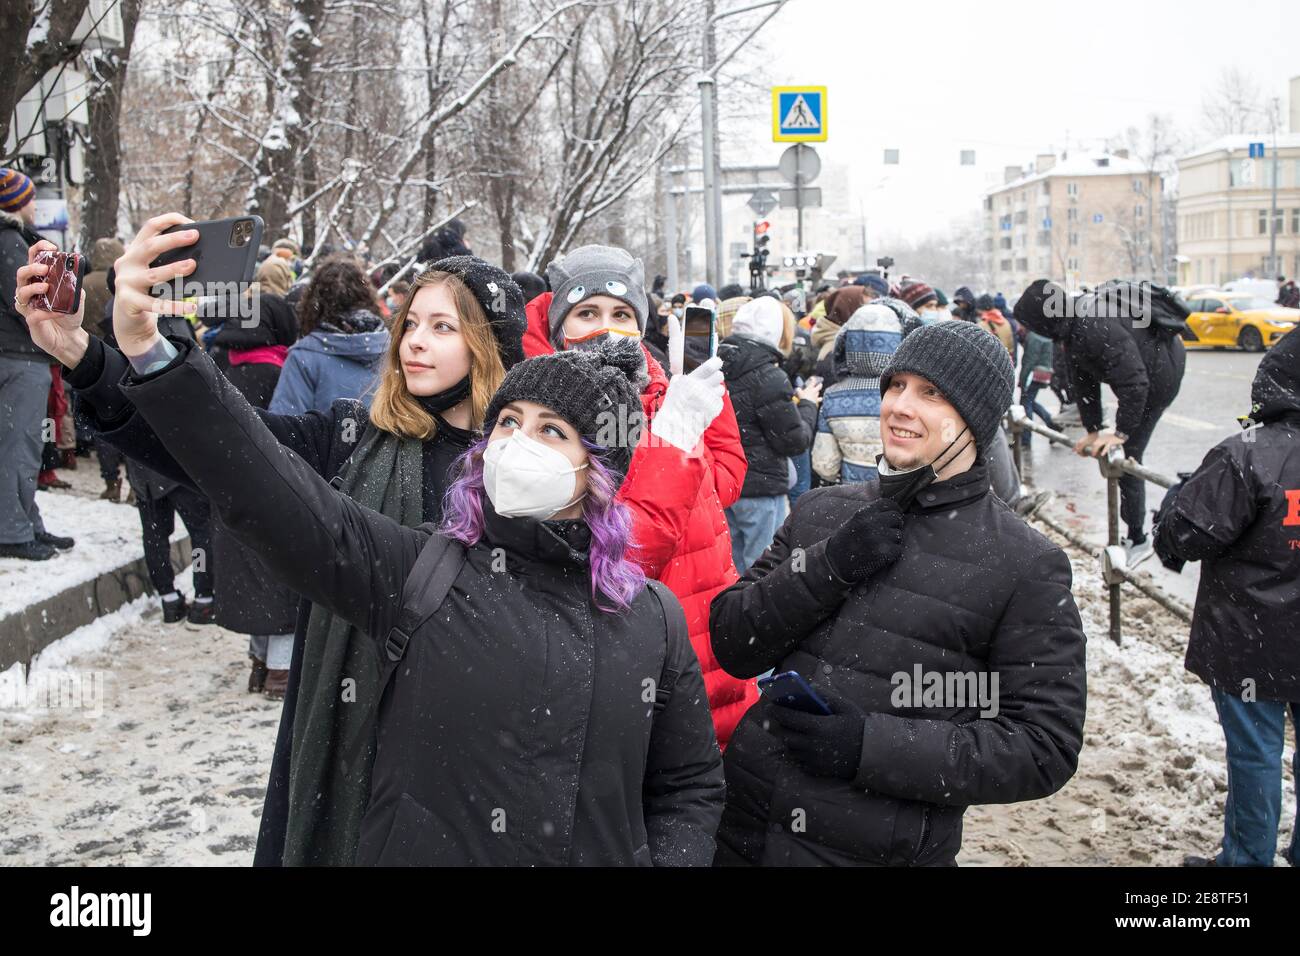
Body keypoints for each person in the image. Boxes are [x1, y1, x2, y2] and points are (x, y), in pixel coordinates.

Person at [25, 215, 725, 865]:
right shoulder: (359, 448)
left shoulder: (591, 545)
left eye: (442, 326)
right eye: (410, 323)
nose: (414, 340)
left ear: (488, 346)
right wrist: (101, 357)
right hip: (361, 751)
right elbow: (236, 461)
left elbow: (682, 776)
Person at [709, 319, 1087, 866]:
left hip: (874, 851)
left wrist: (870, 747)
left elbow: (1044, 746)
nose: (899, 406)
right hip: (742, 832)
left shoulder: (1024, 563)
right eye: (896, 385)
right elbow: (733, 642)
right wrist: (828, 567)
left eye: (931, 393)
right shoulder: (822, 512)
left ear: (975, 420)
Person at [519, 244, 756, 749]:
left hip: (702, 624)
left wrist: (702, 401)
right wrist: (669, 444)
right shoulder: (540, 406)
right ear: (561, 324)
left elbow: (727, 482)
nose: (606, 327)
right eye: (587, 312)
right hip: (626, 643)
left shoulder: (661, 383)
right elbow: (622, 554)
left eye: (622, 314)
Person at [1154, 329, 1300, 868]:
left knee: (1255, 756)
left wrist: (1176, 503)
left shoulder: (1248, 452)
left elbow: (1188, 536)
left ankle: (1245, 864)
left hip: (1251, 639)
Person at [1015, 278, 1187, 565]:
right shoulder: (1071, 327)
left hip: (1161, 373)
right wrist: (1094, 430)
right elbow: (1083, 382)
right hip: (1144, 372)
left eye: (1030, 324)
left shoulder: (1094, 326)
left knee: (1128, 454)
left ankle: (1137, 539)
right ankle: (1133, 533)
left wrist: (1120, 432)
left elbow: (1135, 383)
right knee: (1114, 448)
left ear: (1042, 321)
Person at [0, 168, 74, 560]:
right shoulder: (11, 241)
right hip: (19, 356)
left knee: (16, 444)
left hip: (12, 355)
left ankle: (27, 523)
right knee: (20, 445)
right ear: (15, 203)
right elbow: (26, 303)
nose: (33, 204)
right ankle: (14, 532)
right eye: (27, 198)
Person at [718, 296, 819, 571]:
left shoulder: (716, 365)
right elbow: (793, 441)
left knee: (732, 567)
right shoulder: (769, 376)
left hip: (727, 484)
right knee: (762, 568)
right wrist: (808, 405)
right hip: (762, 487)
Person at [270, 255, 390, 415]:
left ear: (314, 302)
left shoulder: (305, 357)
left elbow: (285, 425)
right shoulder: (393, 349)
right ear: (367, 296)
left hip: (322, 438)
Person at [812, 303, 906, 485]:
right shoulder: (909, 395)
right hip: (902, 497)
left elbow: (824, 465)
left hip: (853, 496)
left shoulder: (832, 396)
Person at [1017, 326, 1057, 446]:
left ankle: (1026, 439)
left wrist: (1022, 379)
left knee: (1026, 403)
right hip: (1042, 372)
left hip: (1033, 374)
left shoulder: (1033, 337)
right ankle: (1052, 424)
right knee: (1030, 401)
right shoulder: (1043, 333)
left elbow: (1029, 360)